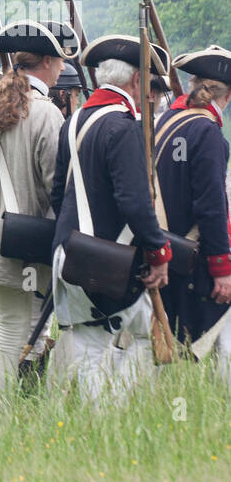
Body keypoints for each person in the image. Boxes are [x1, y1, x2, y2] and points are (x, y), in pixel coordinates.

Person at [50, 35, 172, 404]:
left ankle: (98, 425)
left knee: (90, 346)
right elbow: (135, 203)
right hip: (109, 260)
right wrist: (159, 252)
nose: (149, 95)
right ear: (137, 81)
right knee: (144, 336)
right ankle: (118, 415)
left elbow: (58, 193)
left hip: (69, 253)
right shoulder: (123, 126)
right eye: (148, 85)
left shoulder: (75, 122)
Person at [0, 21, 72, 403]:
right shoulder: (47, 115)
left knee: (9, 329)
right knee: (15, 332)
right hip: (28, 242)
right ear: (46, 61)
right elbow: (54, 184)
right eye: (59, 60)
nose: (62, 68)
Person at [154, 47, 231, 353]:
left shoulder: (166, 121)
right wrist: (222, 268)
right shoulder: (208, 132)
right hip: (193, 257)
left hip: (166, 249)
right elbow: (211, 206)